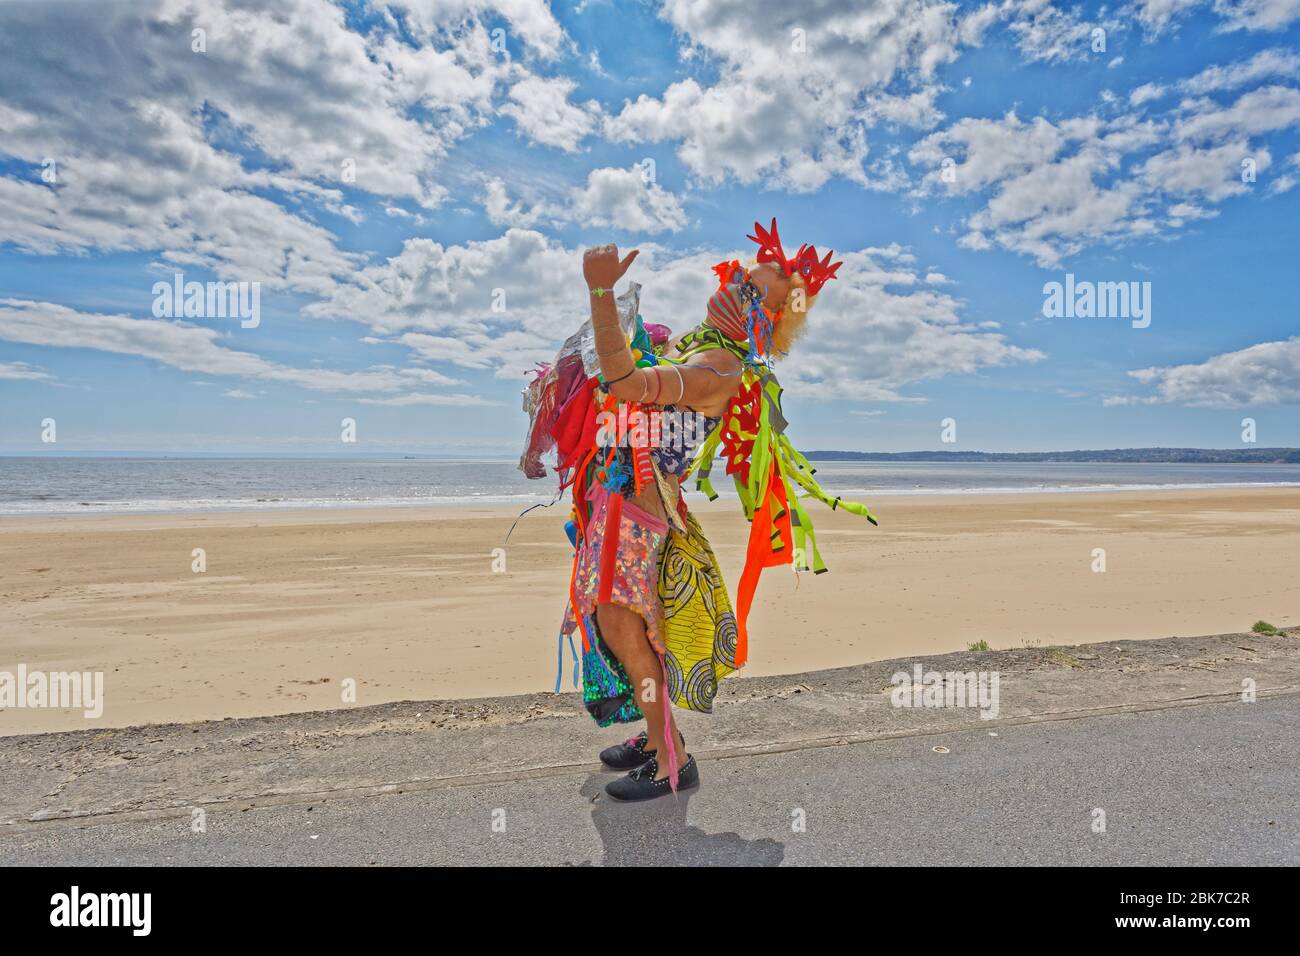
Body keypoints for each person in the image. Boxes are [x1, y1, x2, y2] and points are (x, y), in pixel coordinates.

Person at [519, 219, 877, 801]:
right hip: (625, 505)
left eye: (754, 293)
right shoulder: (696, 345)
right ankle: (658, 733)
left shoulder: (718, 367)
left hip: (638, 516)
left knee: (621, 626)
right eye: (742, 279)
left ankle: (671, 761)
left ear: (769, 320)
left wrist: (601, 292)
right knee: (634, 631)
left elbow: (626, 382)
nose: (738, 290)